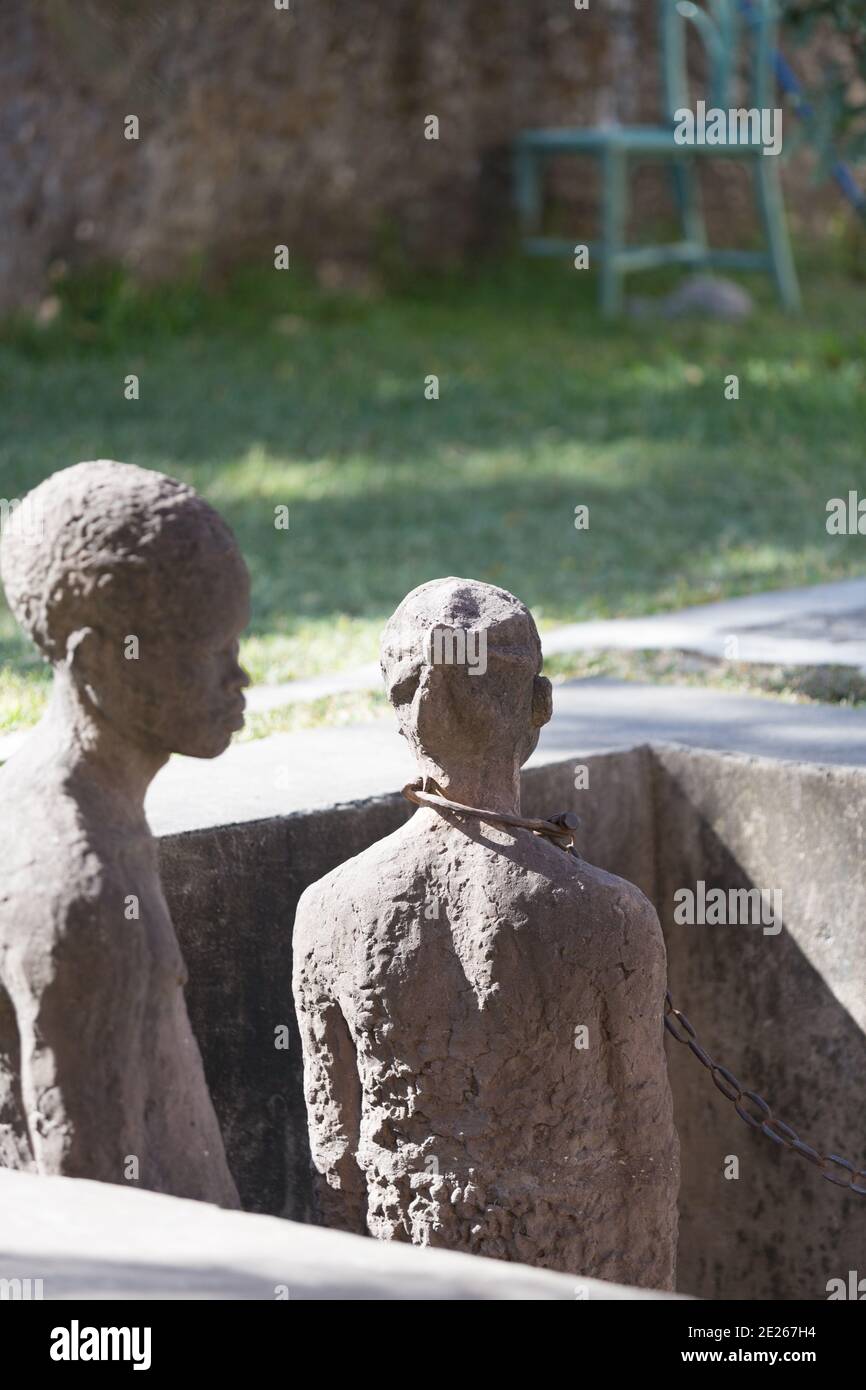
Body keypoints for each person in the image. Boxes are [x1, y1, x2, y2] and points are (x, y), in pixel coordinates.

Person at [293, 576, 679, 1287]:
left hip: (407, 1266)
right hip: (570, 1269)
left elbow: (335, 1153)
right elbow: (644, 1146)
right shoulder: (609, 913)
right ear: (541, 707)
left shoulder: (329, 909)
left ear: (399, 711)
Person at [0, 459, 246, 1206]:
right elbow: (101, 1207)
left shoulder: (55, 810)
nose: (242, 678)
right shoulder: (84, 890)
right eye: (211, 653)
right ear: (99, 661)